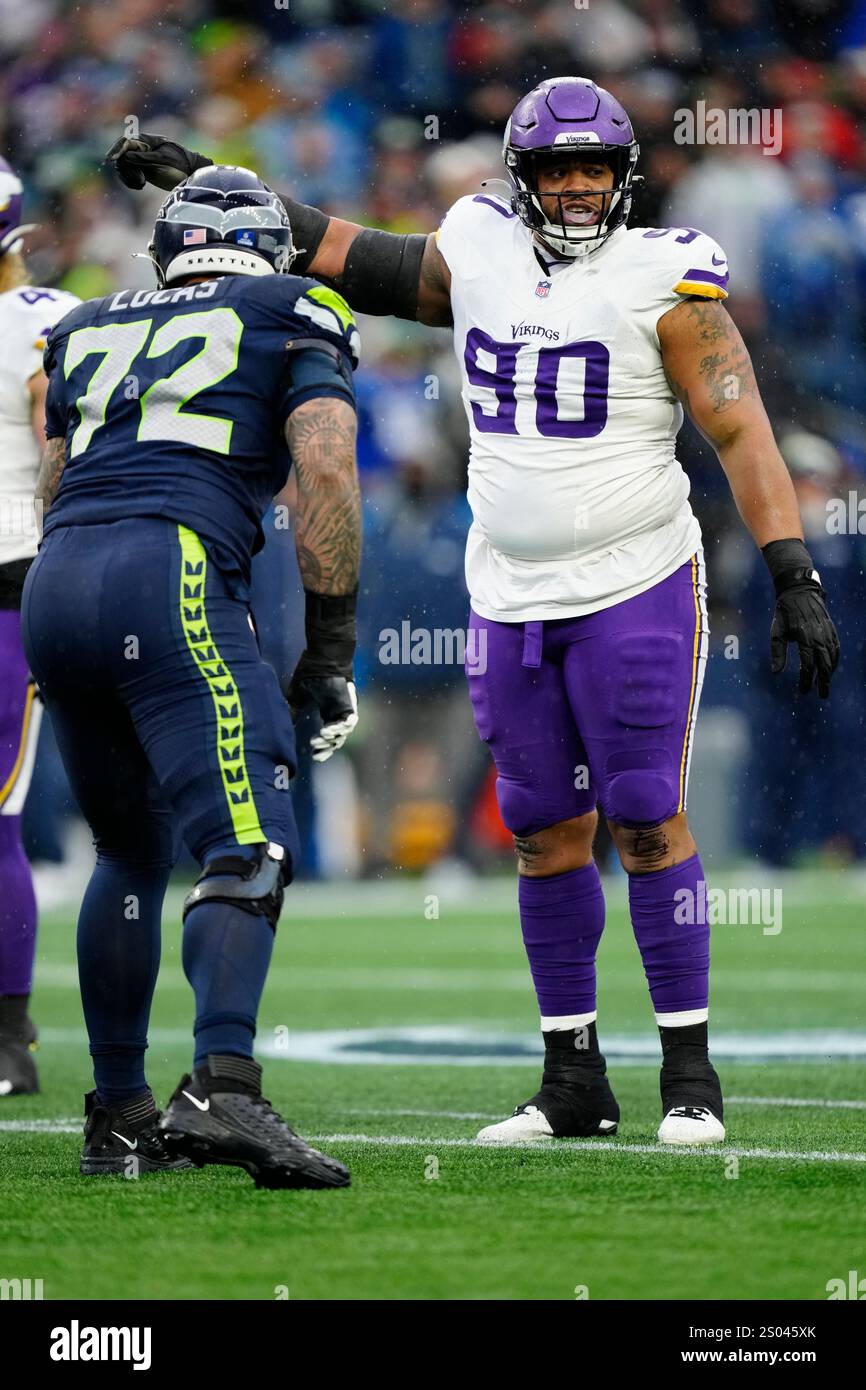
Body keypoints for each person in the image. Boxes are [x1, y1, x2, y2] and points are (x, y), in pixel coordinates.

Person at [108, 77, 840, 1147]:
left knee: (644, 813)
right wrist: (224, 193)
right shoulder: (481, 247)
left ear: (623, 175)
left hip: (633, 574)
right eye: (558, 169)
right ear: (523, 176)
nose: (579, 186)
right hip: (507, 588)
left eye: (595, 167)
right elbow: (360, 259)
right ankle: (570, 1078)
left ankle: (687, 1071)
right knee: (541, 831)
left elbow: (740, 434)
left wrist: (792, 572)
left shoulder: (664, 280)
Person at [22, 164, 361, 1187]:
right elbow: (328, 472)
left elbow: (53, 479)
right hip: (164, 567)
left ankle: (116, 1109)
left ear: (169, 252)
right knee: (250, 840)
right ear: (268, 248)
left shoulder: (85, 323)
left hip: (60, 577)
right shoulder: (291, 303)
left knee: (127, 852)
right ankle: (224, 1086)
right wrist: (332, 643)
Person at [0, 156, 79, 1096]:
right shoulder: (49, 319)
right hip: (31, 571)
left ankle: (10, 1037)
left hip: (16, 581)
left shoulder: (44, 325)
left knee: (2, 811)